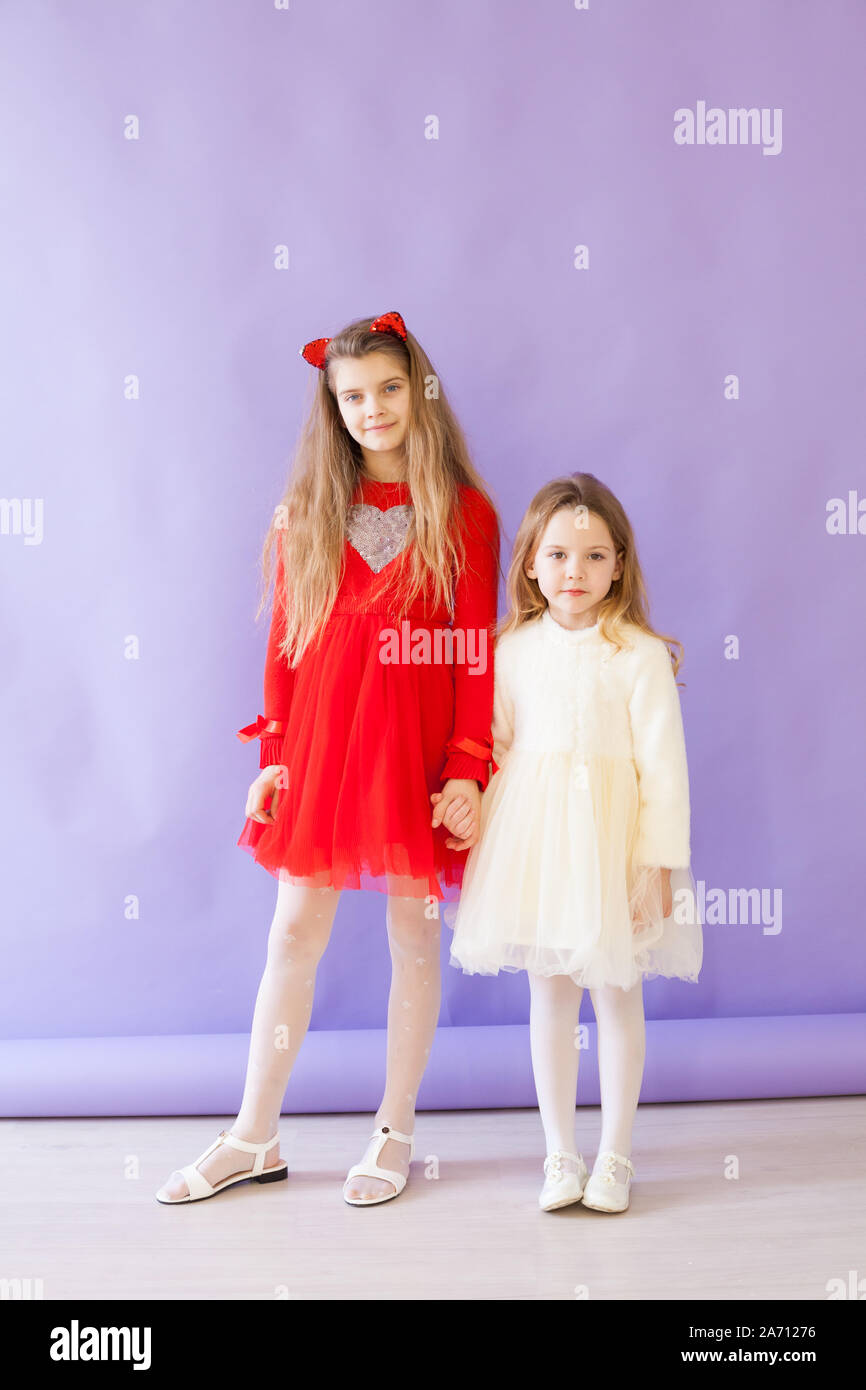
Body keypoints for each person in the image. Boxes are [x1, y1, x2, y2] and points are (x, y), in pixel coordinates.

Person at [155, 311, 500, 1207]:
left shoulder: (465, 511)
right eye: (352, 396)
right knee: (293, 933)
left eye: (389, 389)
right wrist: (272, 754)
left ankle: (393, 1130)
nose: (373, 409)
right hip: (322, 744)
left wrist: (466, 767)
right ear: (332, 407)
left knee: (413, 932)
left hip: (416, 750)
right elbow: (285, 642)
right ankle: (253, 1134)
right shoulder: (307, 508)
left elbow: (474, 650)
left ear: (418, 392)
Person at [447, 472, 702, 1213]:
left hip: (615, 847)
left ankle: (615, 1156)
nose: (575, 572)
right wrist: (466, 806)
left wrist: (656, 861)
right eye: (557, 554)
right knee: (550, 997)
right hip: (536, 848)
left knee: (618, 995)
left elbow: (664, 769)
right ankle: (561, 1154)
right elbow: (491, 748)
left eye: (594, 556)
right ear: (529, 563)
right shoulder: (513, 650)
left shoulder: (638, 654)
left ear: (619, 564)